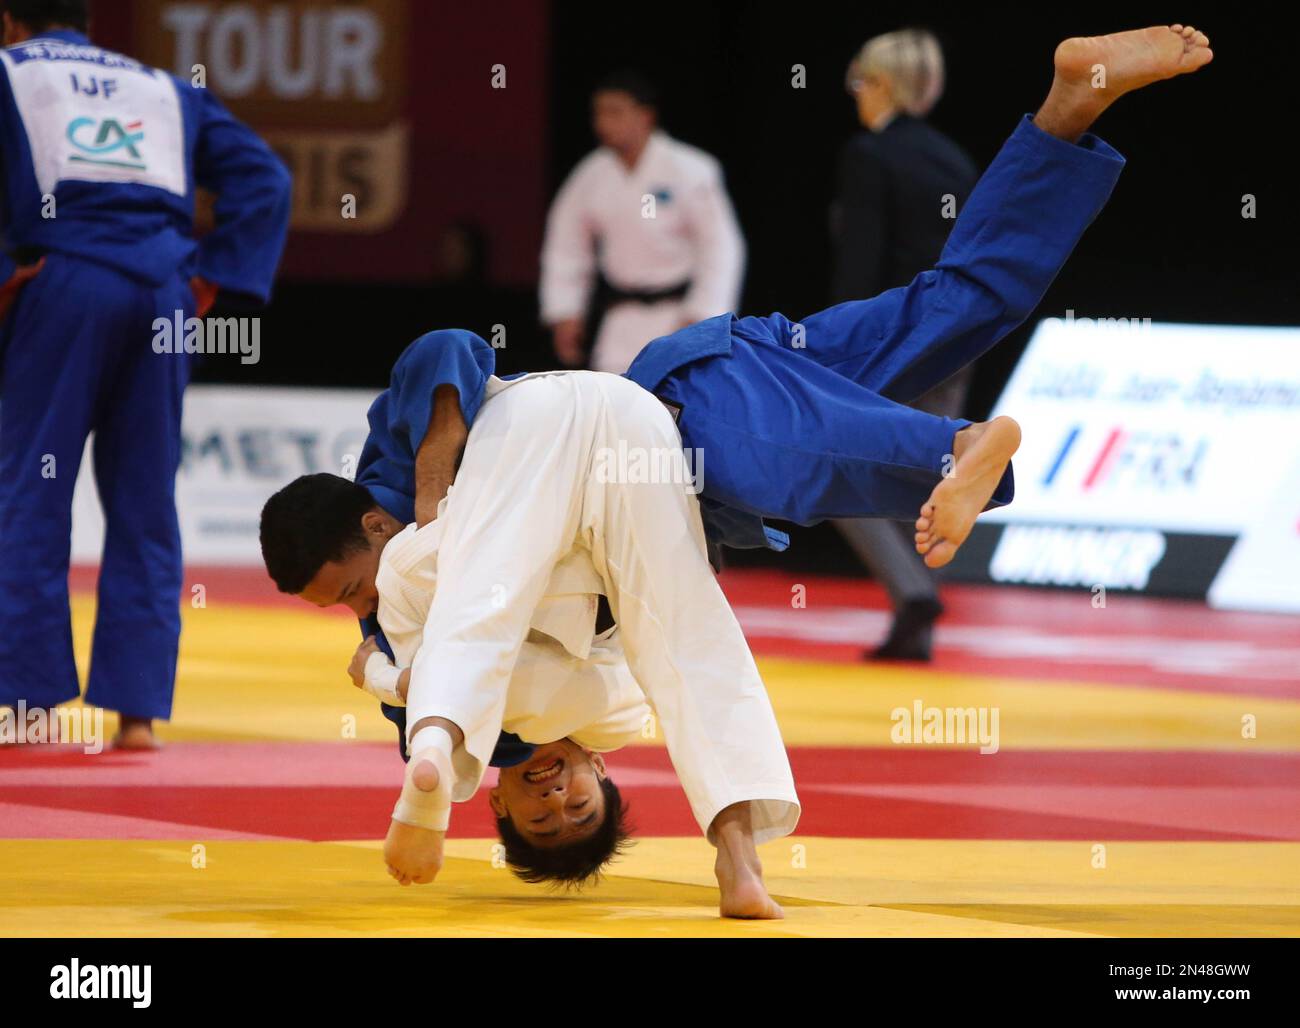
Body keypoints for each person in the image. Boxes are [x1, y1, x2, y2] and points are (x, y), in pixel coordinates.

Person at [259, 24, 1212, 916]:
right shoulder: (557, 697)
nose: (553, 793)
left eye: (349, 590)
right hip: (716, 397)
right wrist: (390, 683)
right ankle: (1067, 113)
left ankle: (954, 452)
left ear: (371, 530)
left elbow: (443, 351)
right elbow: (603, 660)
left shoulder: (400, 515)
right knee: (957, 307)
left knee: (791, 470)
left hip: (688, 406)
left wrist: (432, 476)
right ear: (597, 780)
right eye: (575, 806)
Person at [0, 0, 291, 748]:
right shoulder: (163, 86)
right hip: (161, 288)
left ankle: (27, 705)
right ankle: (136, 718)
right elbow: (266, 180)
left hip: (63, 284)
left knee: (31, 487)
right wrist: (212, 276)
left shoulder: (10, 72)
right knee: (144, 498)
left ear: (9, 20)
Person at [829, 28, 981, 661]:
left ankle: (914, 591)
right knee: (922, 474)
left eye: (860, 82)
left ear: (881, 84)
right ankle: (914, 618)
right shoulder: (955, 161)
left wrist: (836, 344)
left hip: (894, 339)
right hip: (962, 334)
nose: (856, 96)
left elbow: (861, 265)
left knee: (835, 466)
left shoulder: (871, 155)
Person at [539, 71, 745, 373]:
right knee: (610, 409)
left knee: (676, 408)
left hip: (680, 316)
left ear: (645, 115)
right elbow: (566, 246)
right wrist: (566, 311)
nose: (602, 123)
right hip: (619, 321)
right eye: (598, 113)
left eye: (615, 112)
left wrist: (704, 316)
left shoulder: (691, 169)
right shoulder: (590, 175)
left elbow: (720, 247)